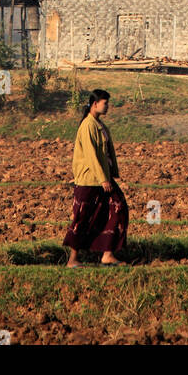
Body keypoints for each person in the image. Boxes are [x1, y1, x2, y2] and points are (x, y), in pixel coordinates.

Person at [64, 89, 129, 267]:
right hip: (89, 180)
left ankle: (107, 254)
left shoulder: (99, 125)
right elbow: (92, 156)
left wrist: (109, 175)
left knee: (118, 208)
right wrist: (103, 179)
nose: (107, 106)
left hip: (102, 178)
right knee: (83, 217)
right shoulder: (88, 126)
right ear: (95, 104)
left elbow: (105, 153)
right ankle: (72, 259)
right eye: (105, 103)